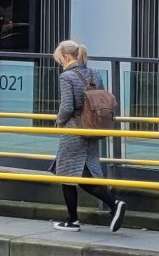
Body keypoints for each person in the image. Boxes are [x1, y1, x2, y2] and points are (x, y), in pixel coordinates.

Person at [51, 39, 127, 232]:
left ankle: (108, 205)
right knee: (86, 172)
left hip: (74, 131)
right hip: (93, 128)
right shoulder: (94, 73)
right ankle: (77, 217)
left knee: (68, 174)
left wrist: (58, 122)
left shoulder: (67, 77)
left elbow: (66, 107)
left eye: (60, 59)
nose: (60, 63)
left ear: (67, 56)